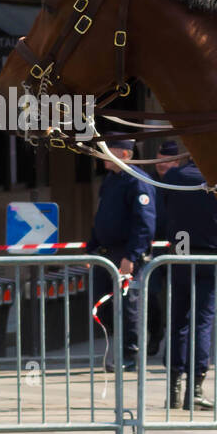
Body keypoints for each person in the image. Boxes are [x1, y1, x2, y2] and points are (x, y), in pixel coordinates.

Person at [156, 145, 217, 410]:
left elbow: (162, 217)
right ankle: (194, 389)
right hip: (209, 256)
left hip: (179, 255)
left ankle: (173, 389)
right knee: (202, 322)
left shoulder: (173, 177)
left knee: (178, 322)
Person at [88, 137, 156, 369]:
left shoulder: (137, 181)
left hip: (124, 254)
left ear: (125, 155)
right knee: (104, 307)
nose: (102, 155)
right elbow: (101, 217)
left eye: (108, 150)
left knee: (128, 307)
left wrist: (132, 256)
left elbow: (144, 223)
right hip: (106, 253)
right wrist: (91, 248)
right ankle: (116, 350)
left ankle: (130, 354)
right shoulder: (111, 180)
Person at [145, 138, 182, 356]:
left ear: (176, 163)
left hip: (180, 244)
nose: (162, 165)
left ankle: (175, 341)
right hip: (155, 247)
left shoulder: (182, 181)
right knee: (154, 296)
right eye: (159, 160)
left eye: (167, 161)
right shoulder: (149, 182)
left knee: (178, 295)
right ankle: (155, 334)